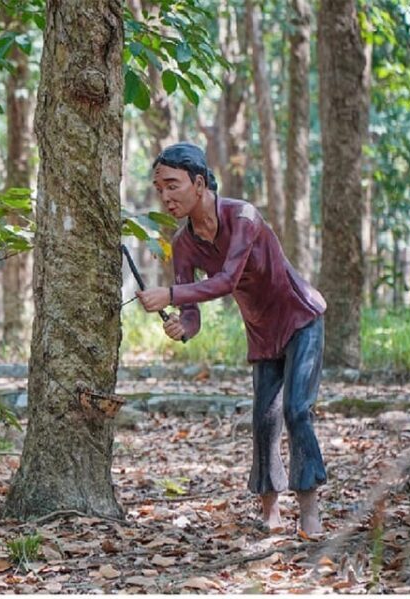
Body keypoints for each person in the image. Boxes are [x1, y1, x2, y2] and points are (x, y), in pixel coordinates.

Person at [136, 142, 327, 535]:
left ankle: (309, 509)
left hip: (300, 318)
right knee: (263, 421)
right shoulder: (184, 242)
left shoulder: (243, 217)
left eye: (173, 185)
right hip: (261, 331)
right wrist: (182, 326)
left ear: (200, 182)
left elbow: (226, 280)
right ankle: (270, 510)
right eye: (160, 189)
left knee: (296, 411)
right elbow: (191, 313)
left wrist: (169, 295)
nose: (166, 196)